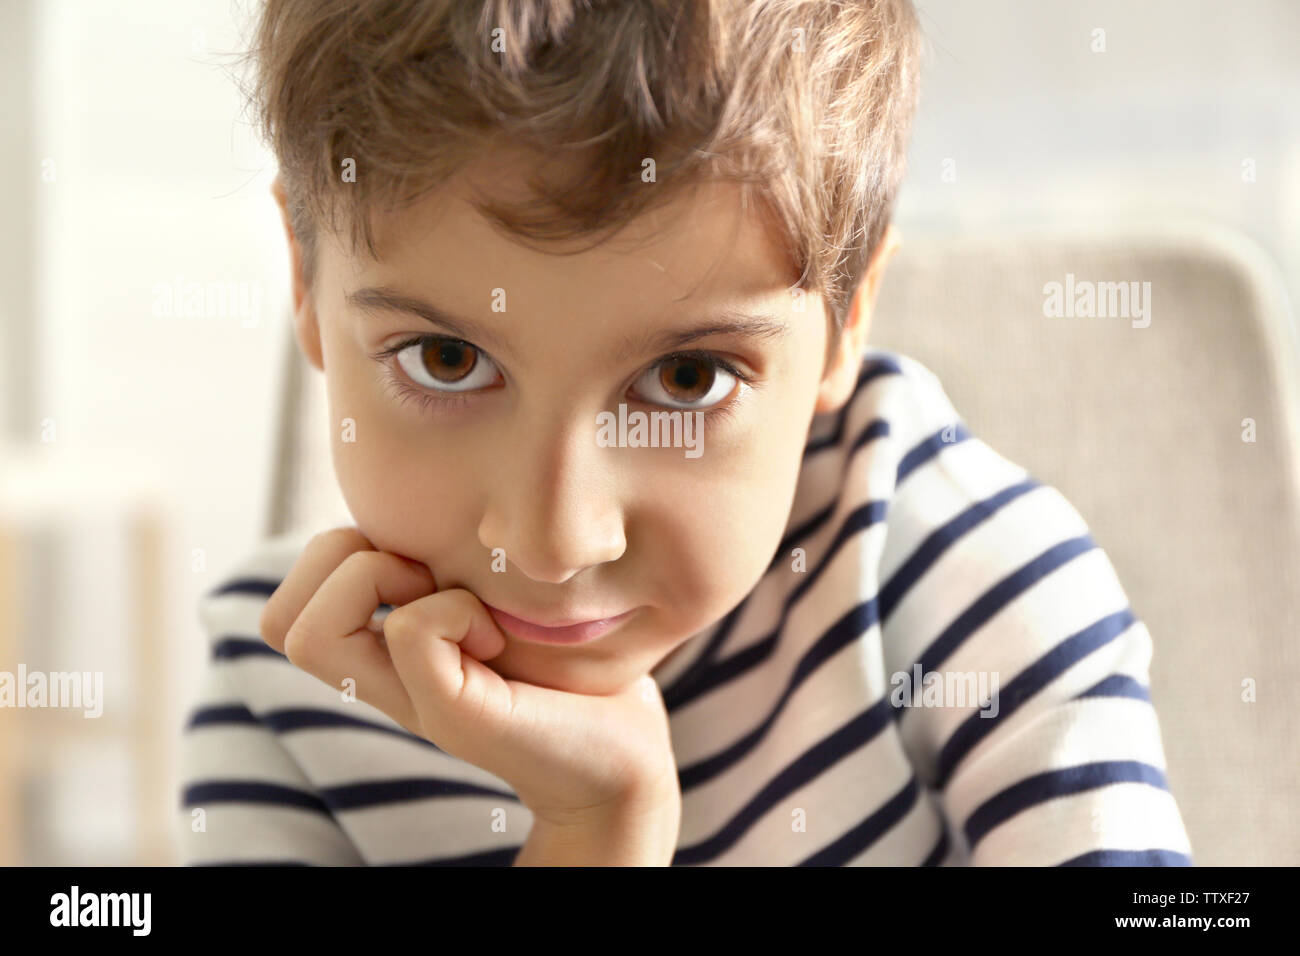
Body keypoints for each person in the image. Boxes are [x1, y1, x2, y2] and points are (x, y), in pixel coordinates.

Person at [176, 0, 1194, 866]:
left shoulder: (968, 583)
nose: (553, 539)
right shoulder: (281, 695)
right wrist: (597, 829)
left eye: (686, 376)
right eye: (446, 358)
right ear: (303, 280)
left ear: (846, 316)